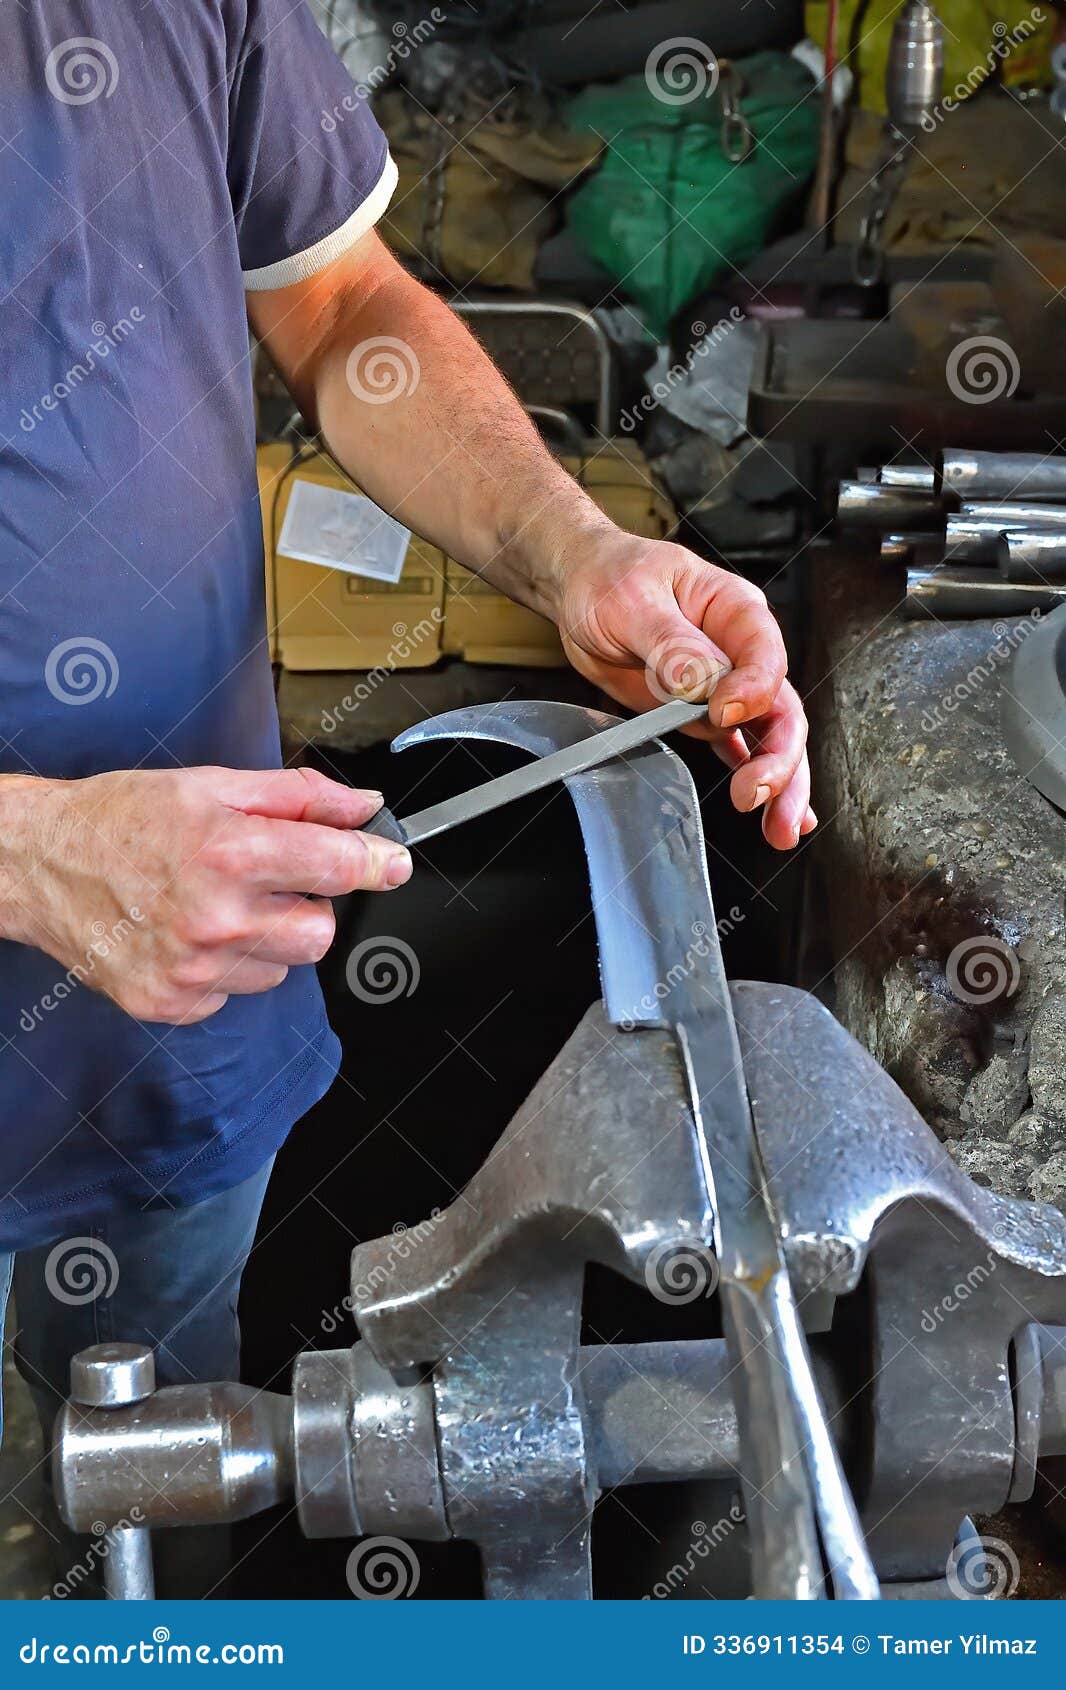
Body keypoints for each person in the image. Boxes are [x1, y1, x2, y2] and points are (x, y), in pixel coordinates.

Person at [0, 0, 813, 1558]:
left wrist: (571, 550)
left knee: (148, 1532)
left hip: (166, 1059)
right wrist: (27, 853)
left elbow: (339, 306)